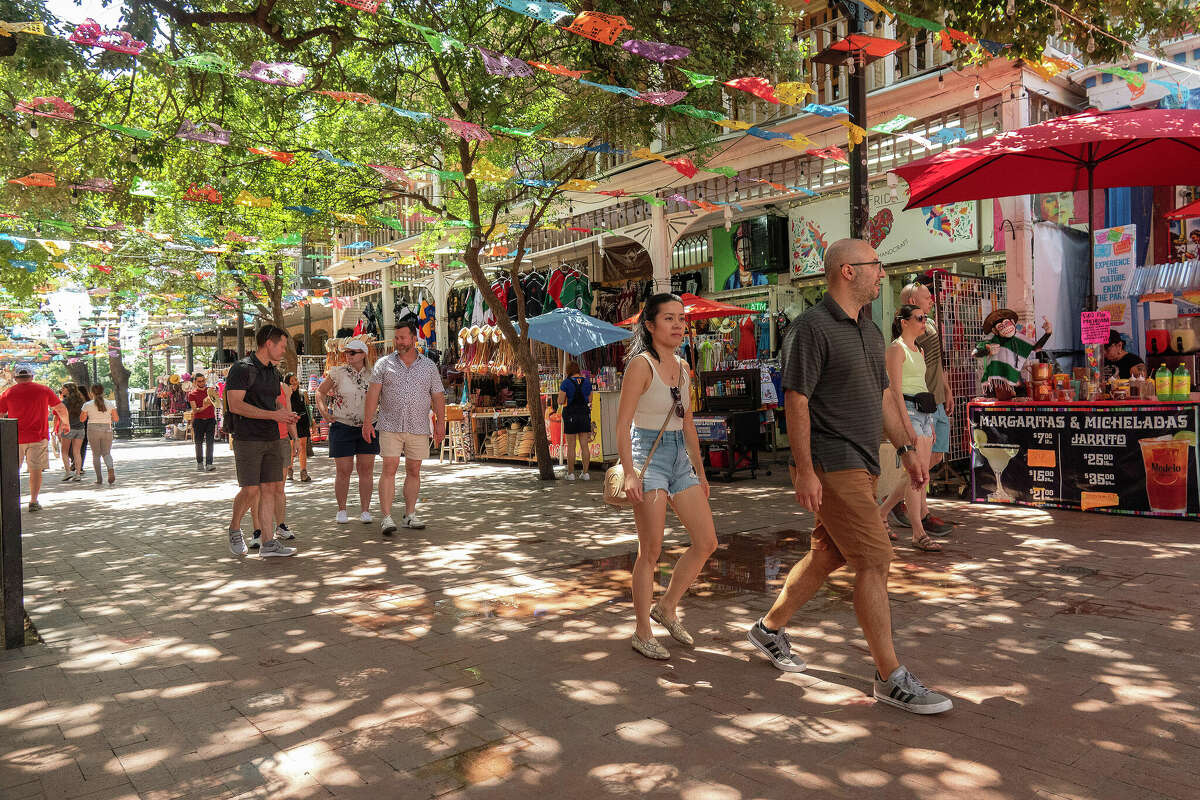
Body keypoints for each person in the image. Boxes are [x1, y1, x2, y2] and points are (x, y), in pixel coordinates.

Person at [747, 238, 953, 715]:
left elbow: (883, 396)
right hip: (830, 460)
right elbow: (795, 401)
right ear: (846, 271)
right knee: (876, 560)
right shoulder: (810, 328)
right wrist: (801, 468)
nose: (883, 274)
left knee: (826, 556)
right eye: (876, 266)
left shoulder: (870, 329)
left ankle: (768, 629)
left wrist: (905, 449)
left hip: (862, 461)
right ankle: (889, 677)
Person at [617, 293, 717, 660]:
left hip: (679, 460)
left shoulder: (684, 366)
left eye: (681, 319)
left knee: (706, 541)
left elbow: (688, 423)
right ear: (650, 325)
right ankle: (642, 631)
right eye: (669, 319)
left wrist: (701, 472)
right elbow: (623, 423)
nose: (678, 325)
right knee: (652, 551)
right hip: (648, 456)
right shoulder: (640, 366)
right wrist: (630, 473)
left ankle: (667, 606)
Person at [363, 319, 446, 536]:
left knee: (414, 469)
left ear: (413, 339)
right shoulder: (383, 364)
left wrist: (440, 423)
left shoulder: (429, 366)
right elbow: (373, 395)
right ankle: (387, 517)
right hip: (390, 424)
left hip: (418, 425)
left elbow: (438, 396)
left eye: (403, 338)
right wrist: (367, 421)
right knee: (389, 467)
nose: (399, 342)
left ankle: (410, 514)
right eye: (396, 338)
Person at [224, 325, 299, 558]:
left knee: (270, 489)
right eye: (282, 346)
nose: (284, 351)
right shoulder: (241, 369)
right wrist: (274, 415)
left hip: (272, 437)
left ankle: (268, 543)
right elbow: (235, 404)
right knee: (250, 490)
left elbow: (274, 403)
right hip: (247, 439)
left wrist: (285, 415)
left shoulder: (273, 371)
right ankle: (234, 528)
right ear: (269, 343)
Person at [888, 281, 954, 536]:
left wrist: (947, 391)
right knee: (919, 467)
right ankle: (920, 517)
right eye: (927, 297)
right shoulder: (908, 336)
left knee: (934, 457)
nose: (932, 301)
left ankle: (892, 506)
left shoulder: (929, 326)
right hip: (918, 404)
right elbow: (896, 385)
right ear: (912, 303)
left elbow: (938, 362)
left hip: (932, 400)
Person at [877, 306, 941, 552]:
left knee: (914, 474)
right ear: (904, 322)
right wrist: (905, 425)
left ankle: (882, 513)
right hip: (910, 412)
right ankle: (918, 532)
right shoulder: (896, 349)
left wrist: (931, 421)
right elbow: (894, 391)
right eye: (920, 318)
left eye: (925, 317)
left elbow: (922, 383)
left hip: (923, 412)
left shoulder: (919, 350)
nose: (924, 321)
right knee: (918, 475)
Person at [316, 338, 379, 525]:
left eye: (352, 352)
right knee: (343, 470)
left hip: (368, 425)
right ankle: (342, 509)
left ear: (363, 354)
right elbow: (320, 392)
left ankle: (365, 510)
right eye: (347, 353)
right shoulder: (337, 373)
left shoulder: (374, 374)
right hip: (342, 425)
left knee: (366, 469)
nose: (348, 356)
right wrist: (324, 412)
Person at [0, 366, 69, 511]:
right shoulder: (44, 390)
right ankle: (33, 501)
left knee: (12, 470)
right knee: (35, 469)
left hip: (14, 438)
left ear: (16, 378)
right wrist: (66, 424)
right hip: (38, 436)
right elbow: (61, 408)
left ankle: (11, 502)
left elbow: (0, 413)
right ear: (31, 376)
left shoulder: (9, 392)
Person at [558, 362, 593, 481]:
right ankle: (586, 473)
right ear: (578, 370)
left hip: (570, 415)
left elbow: (560, 401)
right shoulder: (587, 382)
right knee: (584, 445)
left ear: (568, 371)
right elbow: (590, 399)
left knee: (571, 446)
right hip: (584, 414)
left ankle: (571, 473)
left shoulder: (566, 383)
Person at [79, 384, 118, 485]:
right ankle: (110, 469)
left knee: (96, 454)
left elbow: (82, 419)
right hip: (107, 429)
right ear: (103, 392)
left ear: (91, 393)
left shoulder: (87, 405)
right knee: (106, 453)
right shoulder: (109, 403)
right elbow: (116, 418)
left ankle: (99, 479)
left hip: (93, 429)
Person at [285, 372, 312, 482]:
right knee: (291, 447)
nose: (295, 382)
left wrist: (312, 422)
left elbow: (307, 408)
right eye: (291, 381)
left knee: (303, 447)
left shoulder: (303, 393)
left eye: (295, 380)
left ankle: (303, 471)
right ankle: (289, 469)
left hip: (303, 422)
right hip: (290, 423)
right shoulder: (286, 394)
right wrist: (289, 392)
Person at [188, 372, 218, 472]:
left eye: (203, 380)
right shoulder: (192, 394)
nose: (202, 383)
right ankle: (199, 462)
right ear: (195, 382)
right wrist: (205, 406)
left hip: (210, 420)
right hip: (198, 421)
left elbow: (217, 403)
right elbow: (194, 410)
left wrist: (214, 400)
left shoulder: (210, 391)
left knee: (210, 443)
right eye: (199, 381)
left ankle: (209, 463)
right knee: (198, 442)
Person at [59, 383, 86, 481]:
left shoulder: (64, 402)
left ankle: (67, 472)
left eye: (63, 388)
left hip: (68, 428)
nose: (62, 390)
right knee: (77, 452)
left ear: (68, 390)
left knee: (64, 451)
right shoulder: (81, 401)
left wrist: (60, 428)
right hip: (80, 429)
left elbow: (62, 417)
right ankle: (78, 473)